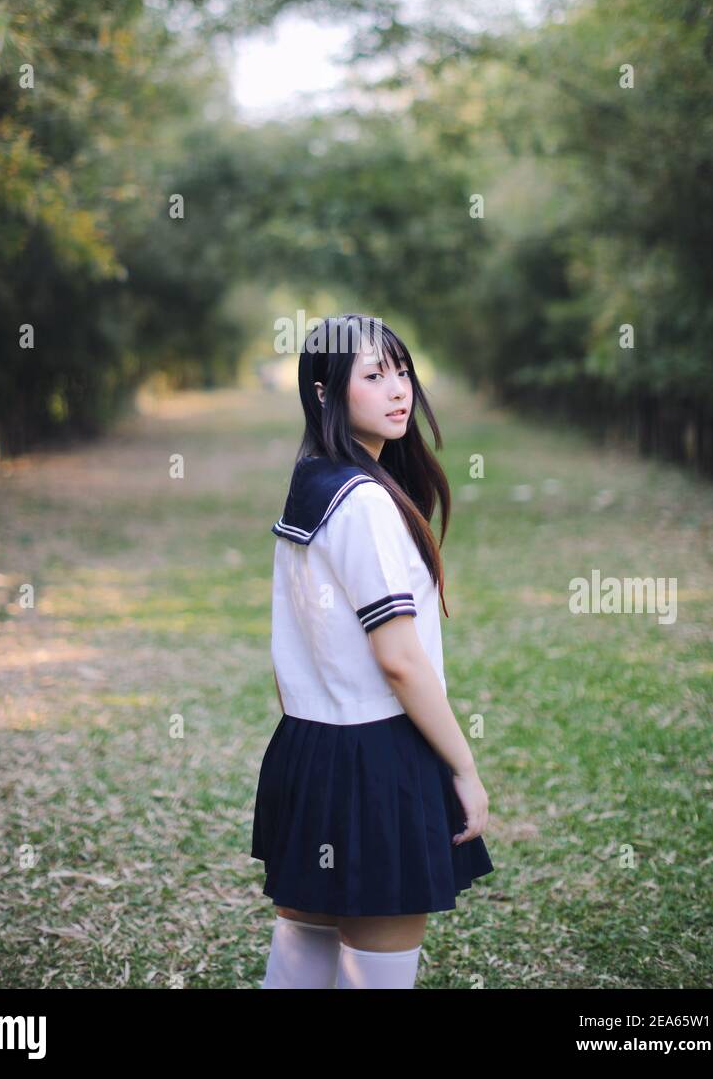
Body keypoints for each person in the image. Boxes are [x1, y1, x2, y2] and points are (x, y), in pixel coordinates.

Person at [251, 313, 494, 989]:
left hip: (311, 749)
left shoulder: (311, 483)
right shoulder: (362, 503)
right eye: (373, 375)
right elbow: (400, 660)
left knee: (300, 968)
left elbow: (295, 645)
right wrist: (464, 767)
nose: (398, 390)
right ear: (325, 393)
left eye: (402, 370)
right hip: (376, 760)